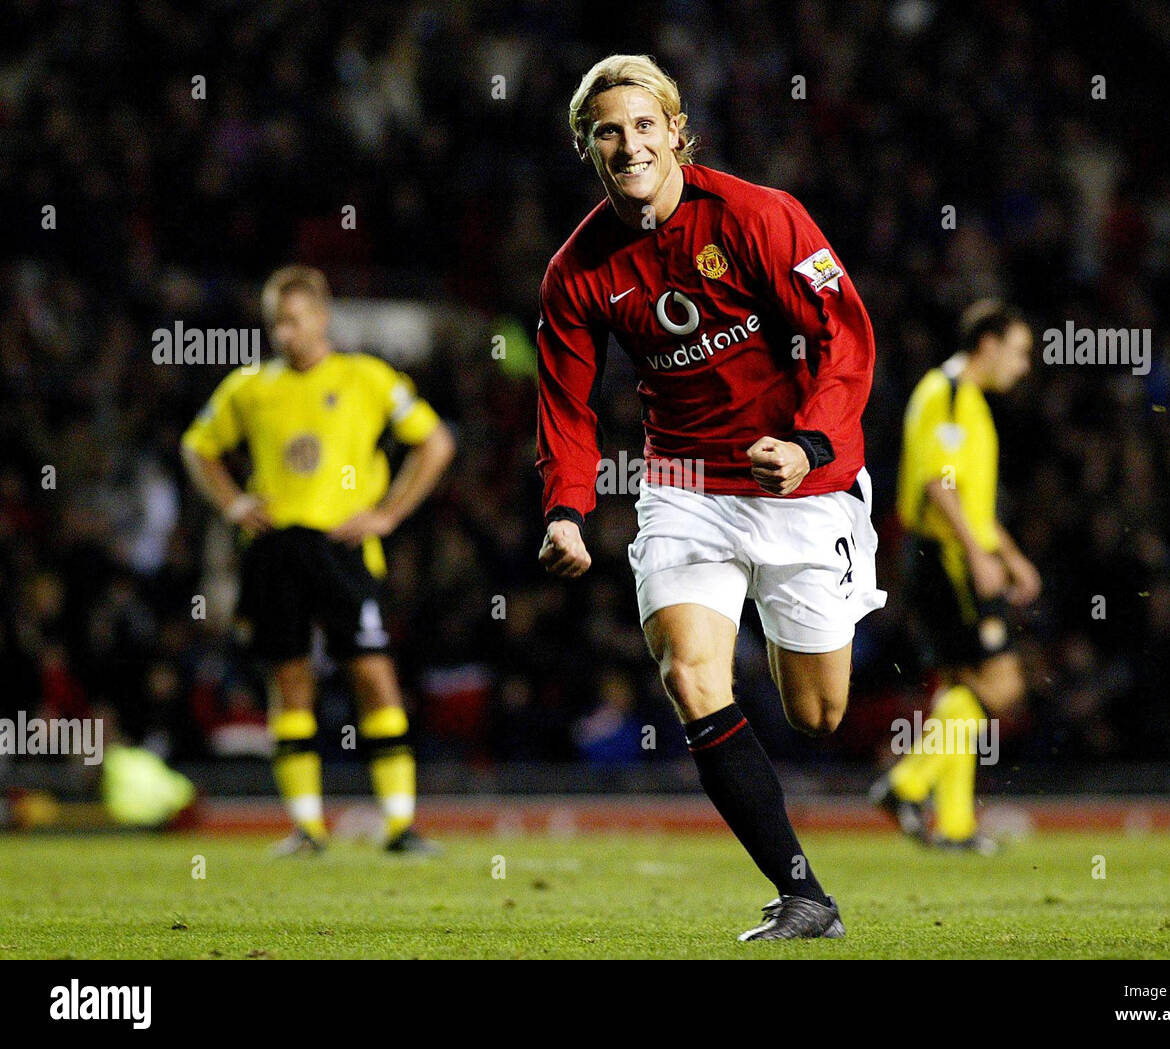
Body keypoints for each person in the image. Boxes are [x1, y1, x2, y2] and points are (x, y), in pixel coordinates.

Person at [535, 54, 884, 940]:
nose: (630, 143)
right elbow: (565, 407)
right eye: (609, 130)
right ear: (587, 146)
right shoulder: (576, 273)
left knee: (817, 713)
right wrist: (567, 510)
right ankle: (805, 894)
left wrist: (809, 445)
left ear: (676, 131)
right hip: (686, 486)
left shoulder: (760, 215)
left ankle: (795, 626)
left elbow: (843, 338)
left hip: (803, 485)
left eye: (645, 125)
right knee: (691, 675)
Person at [181, 266, 455, 855]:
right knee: (290, 682)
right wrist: (233, 504)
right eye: (275, 322)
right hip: (275, 550)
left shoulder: (367, 377)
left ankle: (400, 825)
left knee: (373, 674)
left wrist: (389, 513)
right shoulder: (249, 387)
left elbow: (435, 442)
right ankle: (306, 828)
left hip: (345, 549)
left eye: (293, 320)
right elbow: (197, 447)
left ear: (322, 319)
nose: (282, 333)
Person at [871, 300, 1039, 851]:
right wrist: (978, 555)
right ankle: (906, 783)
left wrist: (1009, 555)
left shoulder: (966, 400)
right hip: (944, 559)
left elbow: (970, 498)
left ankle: (958, 824)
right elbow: (937, 490)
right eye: (1018, 352)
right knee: (1003, 681)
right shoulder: (944, 394)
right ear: (987, 345)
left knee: (961, 688)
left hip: (955, 554)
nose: (1023, 366)